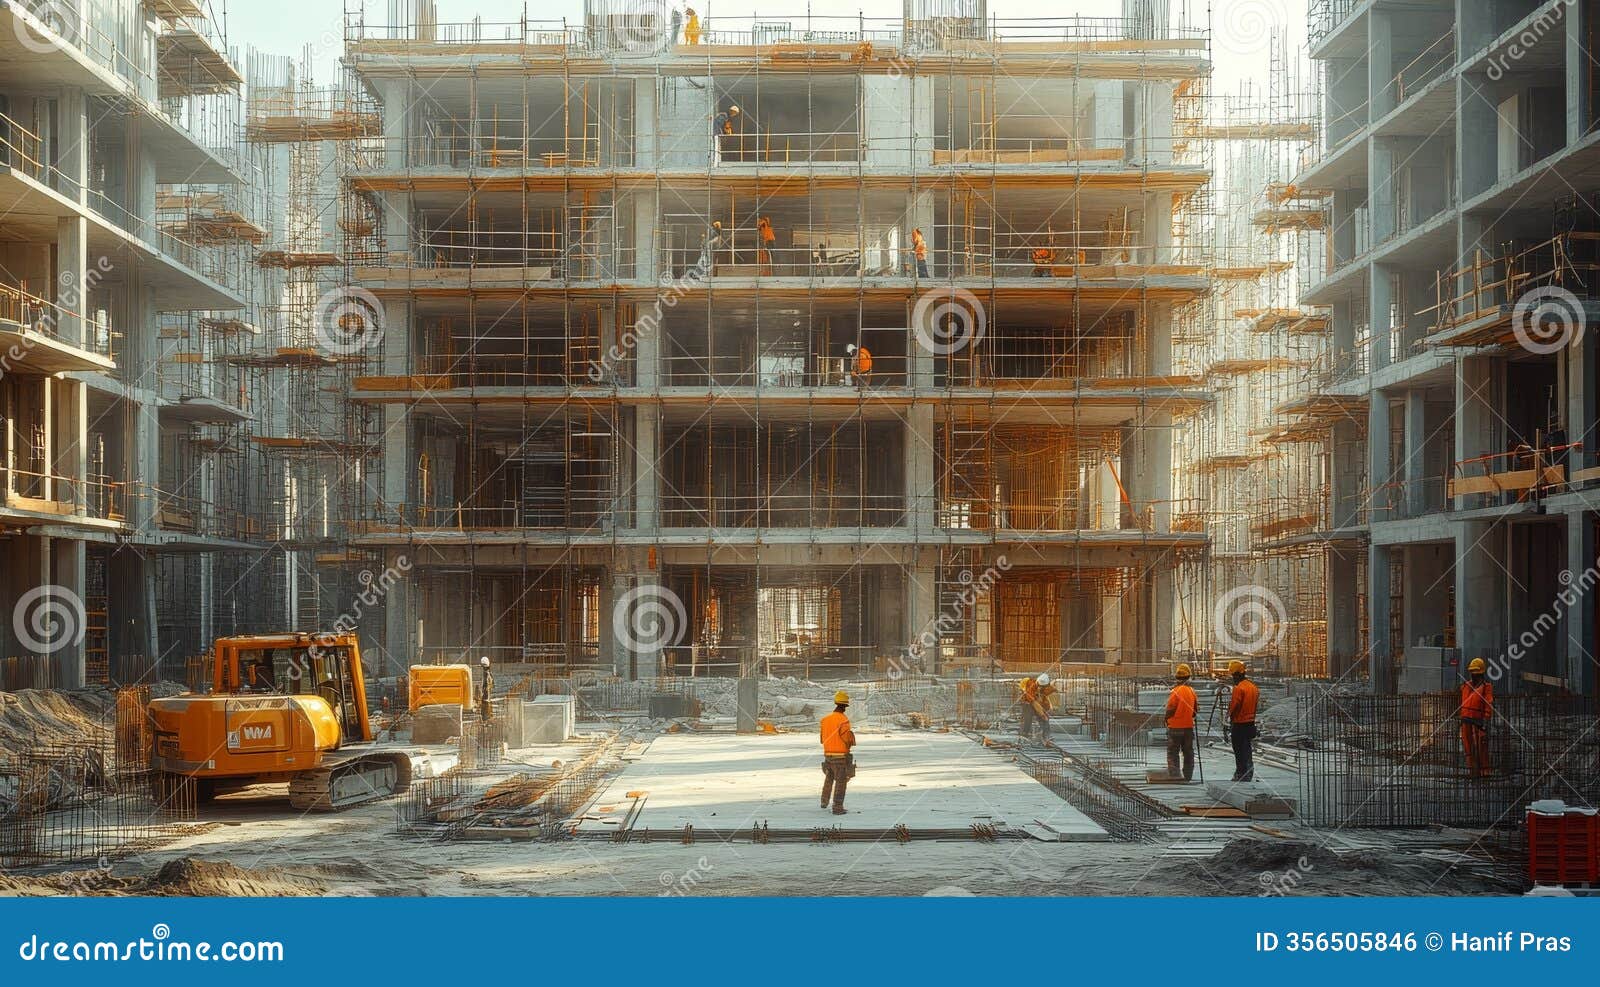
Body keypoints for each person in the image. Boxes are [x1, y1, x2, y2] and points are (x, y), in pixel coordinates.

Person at [819, 690, 856, 814]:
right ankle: (837, 807)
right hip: (840, 756)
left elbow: (822, 739)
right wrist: (851, 739)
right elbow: (847, 739)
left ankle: (824, 801)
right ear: (845, 706)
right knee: (841, 782)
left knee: (829, 778)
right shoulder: (843, 720)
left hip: (828, 754)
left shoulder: (825, 720)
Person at [1224, 659, 1259, 782]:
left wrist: (1227, 719)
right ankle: (1249, 773)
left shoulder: (1239, 688)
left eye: (1233, 675)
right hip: (1250, 723)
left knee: (1239, 751)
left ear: (1237, 675)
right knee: (1247, 749)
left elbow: (1234, 706)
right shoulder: (1253, 687)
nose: (1233, 678)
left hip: (1239, 724)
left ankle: (1241, 774)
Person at [1460, 657, 1493, 777]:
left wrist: (1485, 719)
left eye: (1476, 673)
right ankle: (1472, 771)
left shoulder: (1486, 687)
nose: (1474, 675)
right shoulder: (1466, 685)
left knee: (1481, 746)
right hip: (1465, 720)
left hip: (1478, 721)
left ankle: (1484, 771)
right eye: (1472, 673)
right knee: (1468, 748)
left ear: (1481, 673)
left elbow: (1488, 704)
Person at [1165, 663, 1198, 781]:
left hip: (1175, 727)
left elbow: (1170, 709)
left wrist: (1166, 719)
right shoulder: (1192, 691)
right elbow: (1195, 712)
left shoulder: (1175, 691)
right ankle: (1188, 775)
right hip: (1188, 728)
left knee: (1173, 751)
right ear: (1188, 677)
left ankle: (1175, 775)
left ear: (1177, 677)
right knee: (1188, 752)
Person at [1016, 672, 1056, 742]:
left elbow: (1044, 698)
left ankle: (1046, 736)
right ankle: (1024, 735)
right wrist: (1042, 714)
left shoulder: (1041, 687)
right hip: (1027, 703)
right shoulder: (1030, 687)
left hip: (1034, 701)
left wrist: (1046, 710)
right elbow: (1034, 703)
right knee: (1028, 718)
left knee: (1044, 718)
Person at [479, 655, 494, 722]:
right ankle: (486, 720)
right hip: (488, 699)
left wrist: (481, 694)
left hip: (486, 700)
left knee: (485, 716)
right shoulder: (490, 674)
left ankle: (485, 720)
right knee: (487, 715)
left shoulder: (486, 675)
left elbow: (485, 686)